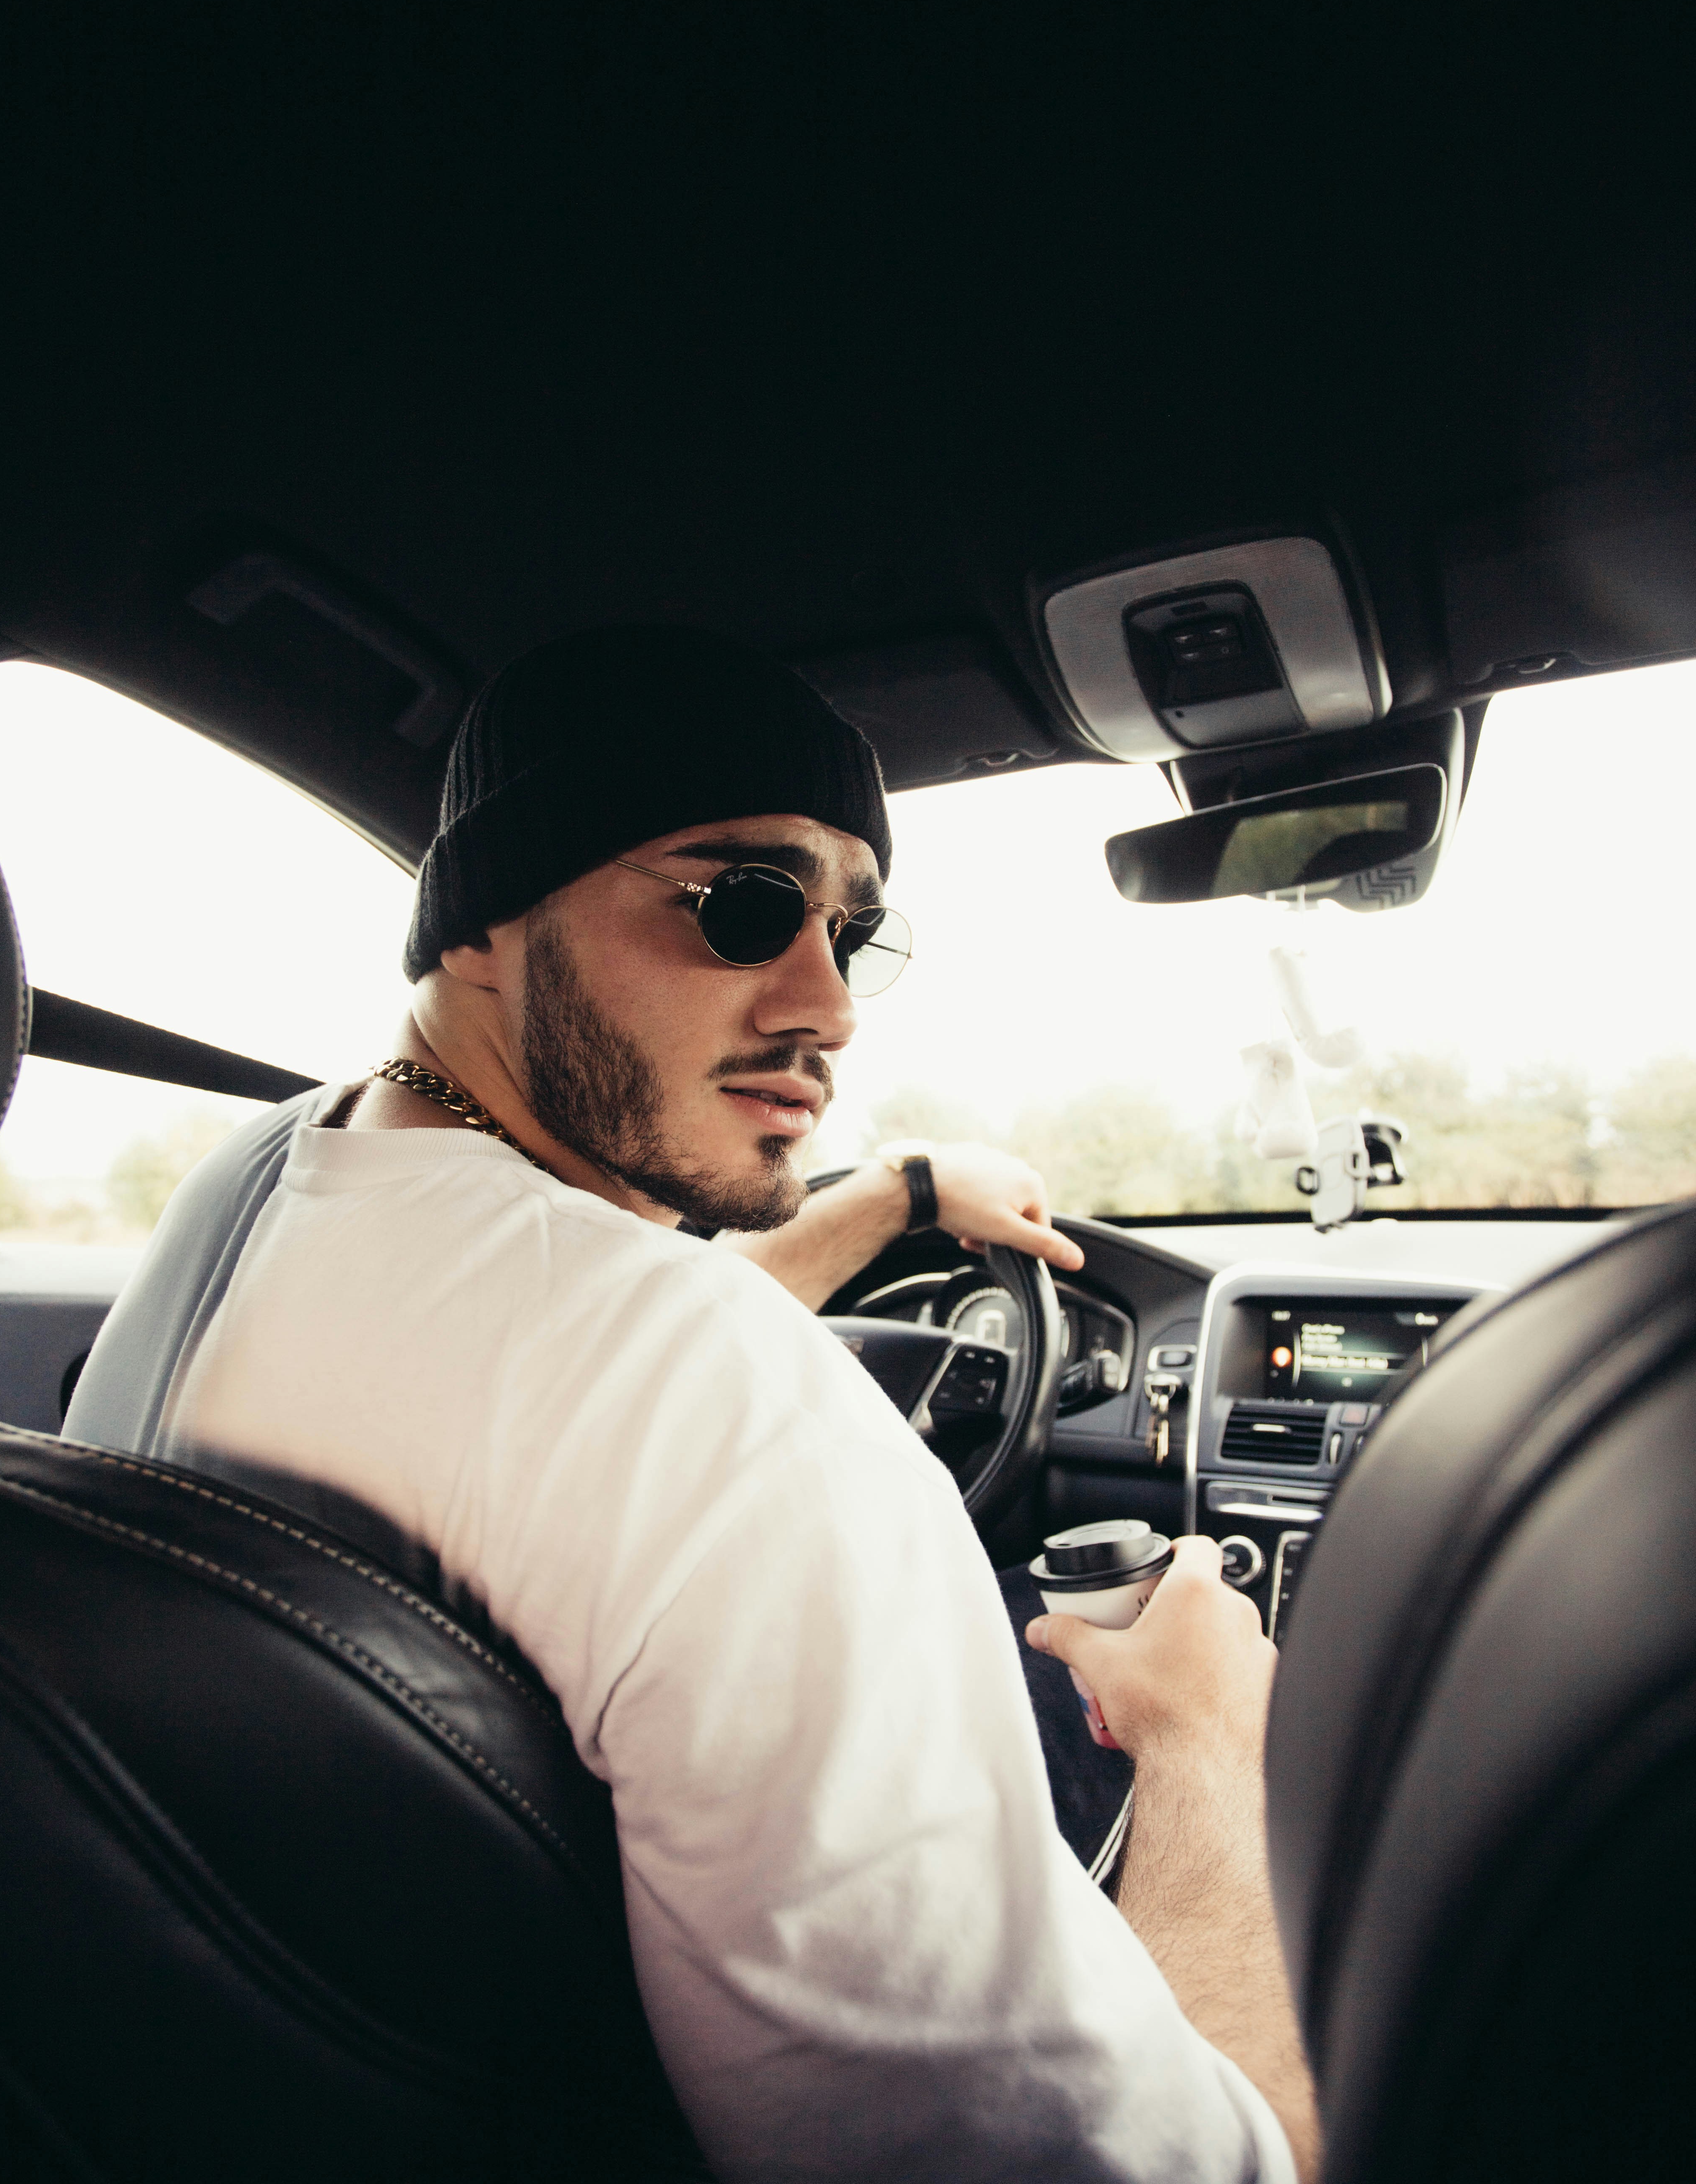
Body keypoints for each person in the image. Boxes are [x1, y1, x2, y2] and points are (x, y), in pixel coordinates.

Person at [67, 627, 1317, 2183]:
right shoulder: (722, 1407)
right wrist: (1211, 1741)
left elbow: (593, 1371)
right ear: (481, 925)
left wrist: (903, 1195)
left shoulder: (259, 1186)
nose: (832, 1006)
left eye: (852, 935)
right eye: (741, 906)